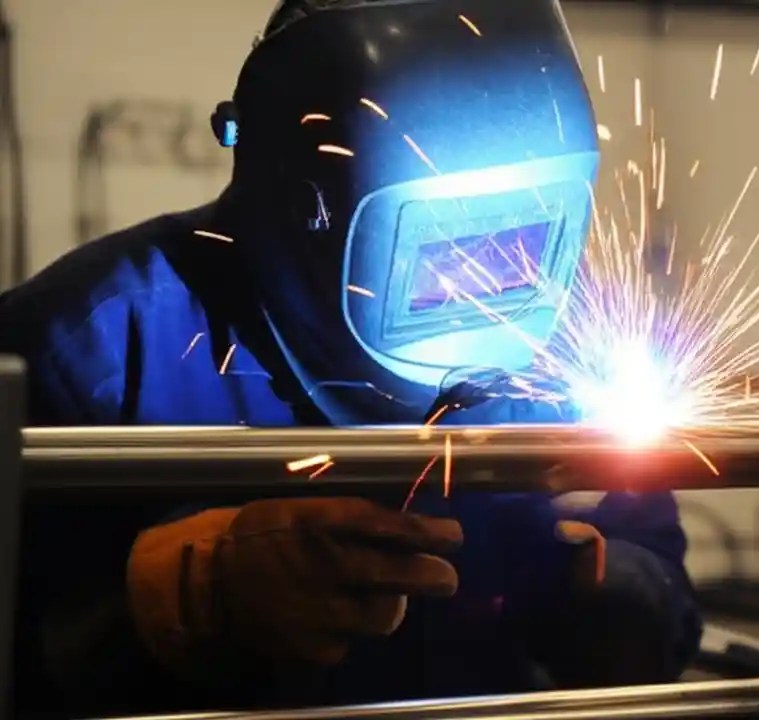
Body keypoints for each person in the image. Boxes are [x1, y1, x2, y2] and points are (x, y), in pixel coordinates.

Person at [0, 0, 701, 715]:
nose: (482, 287)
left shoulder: (568, 346)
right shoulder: (93, 349)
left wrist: (609, 598)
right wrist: (181, 595)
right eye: (440, 249)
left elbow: (665, 622)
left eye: (519, 243)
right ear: (308, 198)